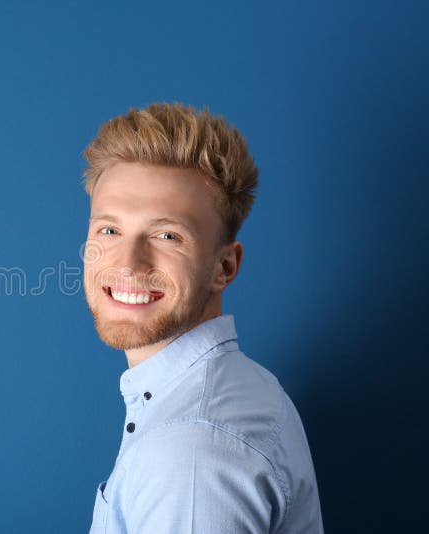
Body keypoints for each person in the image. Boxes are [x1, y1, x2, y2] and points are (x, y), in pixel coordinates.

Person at [81, 102, 323, 533]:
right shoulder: (233, 389)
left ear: (224, 267)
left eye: (167, 235)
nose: (129, 264)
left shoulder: (190, 452)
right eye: (110, 230)